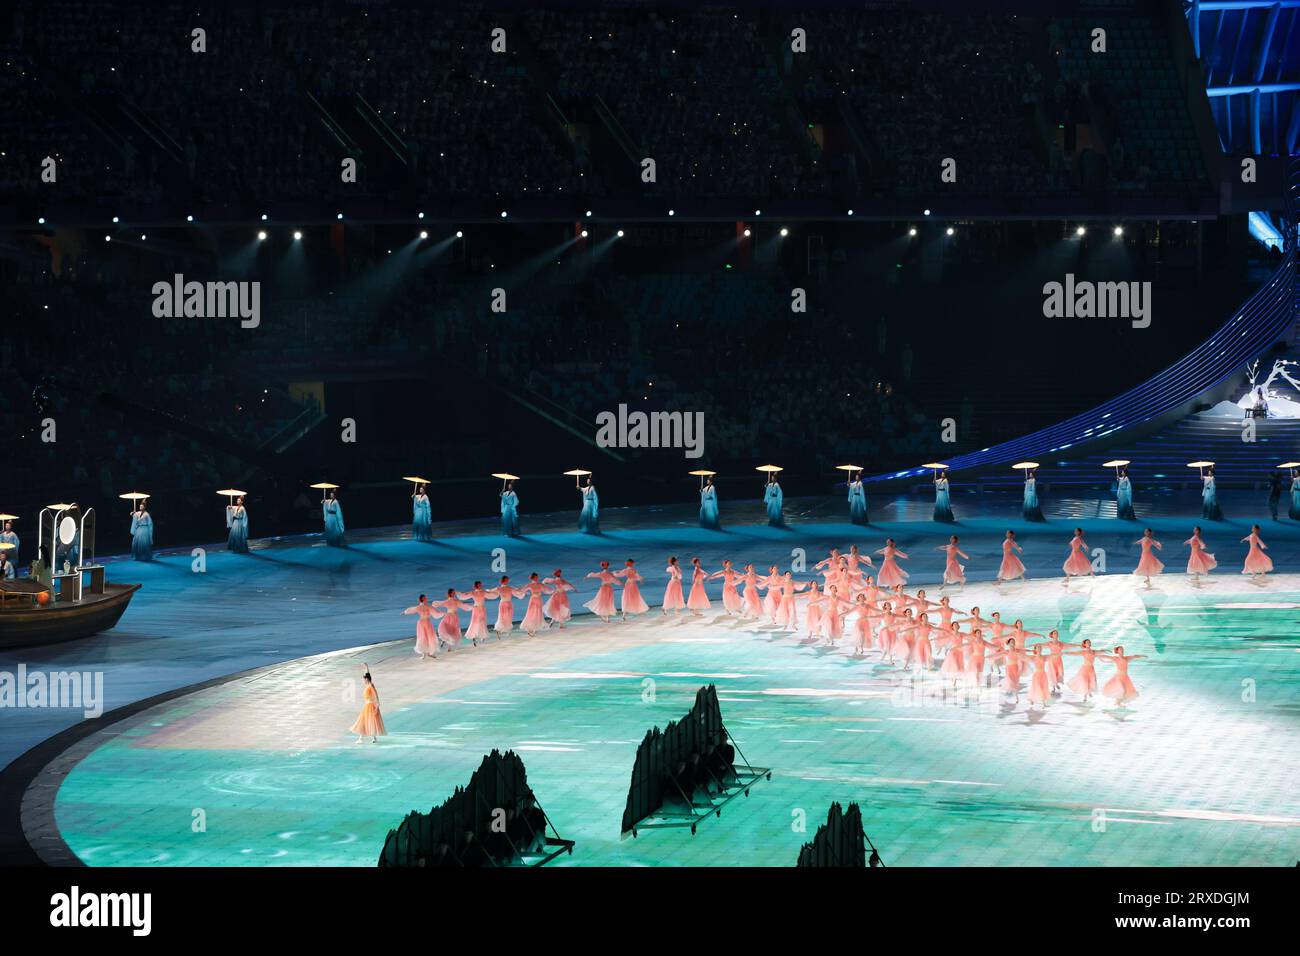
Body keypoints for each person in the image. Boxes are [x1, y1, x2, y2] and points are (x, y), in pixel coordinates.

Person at [350, 668, 387, 743]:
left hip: (370, 706)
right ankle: (369, 738)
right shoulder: (367, 685)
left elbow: (376, 695)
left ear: (366, 679)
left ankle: (363, 738)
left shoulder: (371, 685)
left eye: (364, 679)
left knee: (366, 721)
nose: (363, 680)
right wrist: (366, 668)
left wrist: (377, 705)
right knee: (365, 721)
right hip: (367, 706)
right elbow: (367, 674)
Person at [403, 594, 443, 658]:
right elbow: (411, 610)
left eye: (426, 597)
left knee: (427, 637)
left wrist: (442, 614)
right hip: (424, 623)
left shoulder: (426, 607)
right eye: (425, 598)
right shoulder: (423, 607)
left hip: (424, 622)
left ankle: (429, 653)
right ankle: (425, 654)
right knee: (424, 637)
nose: (426, 598)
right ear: (422, 599)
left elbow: (435, 612)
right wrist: (405, 612)